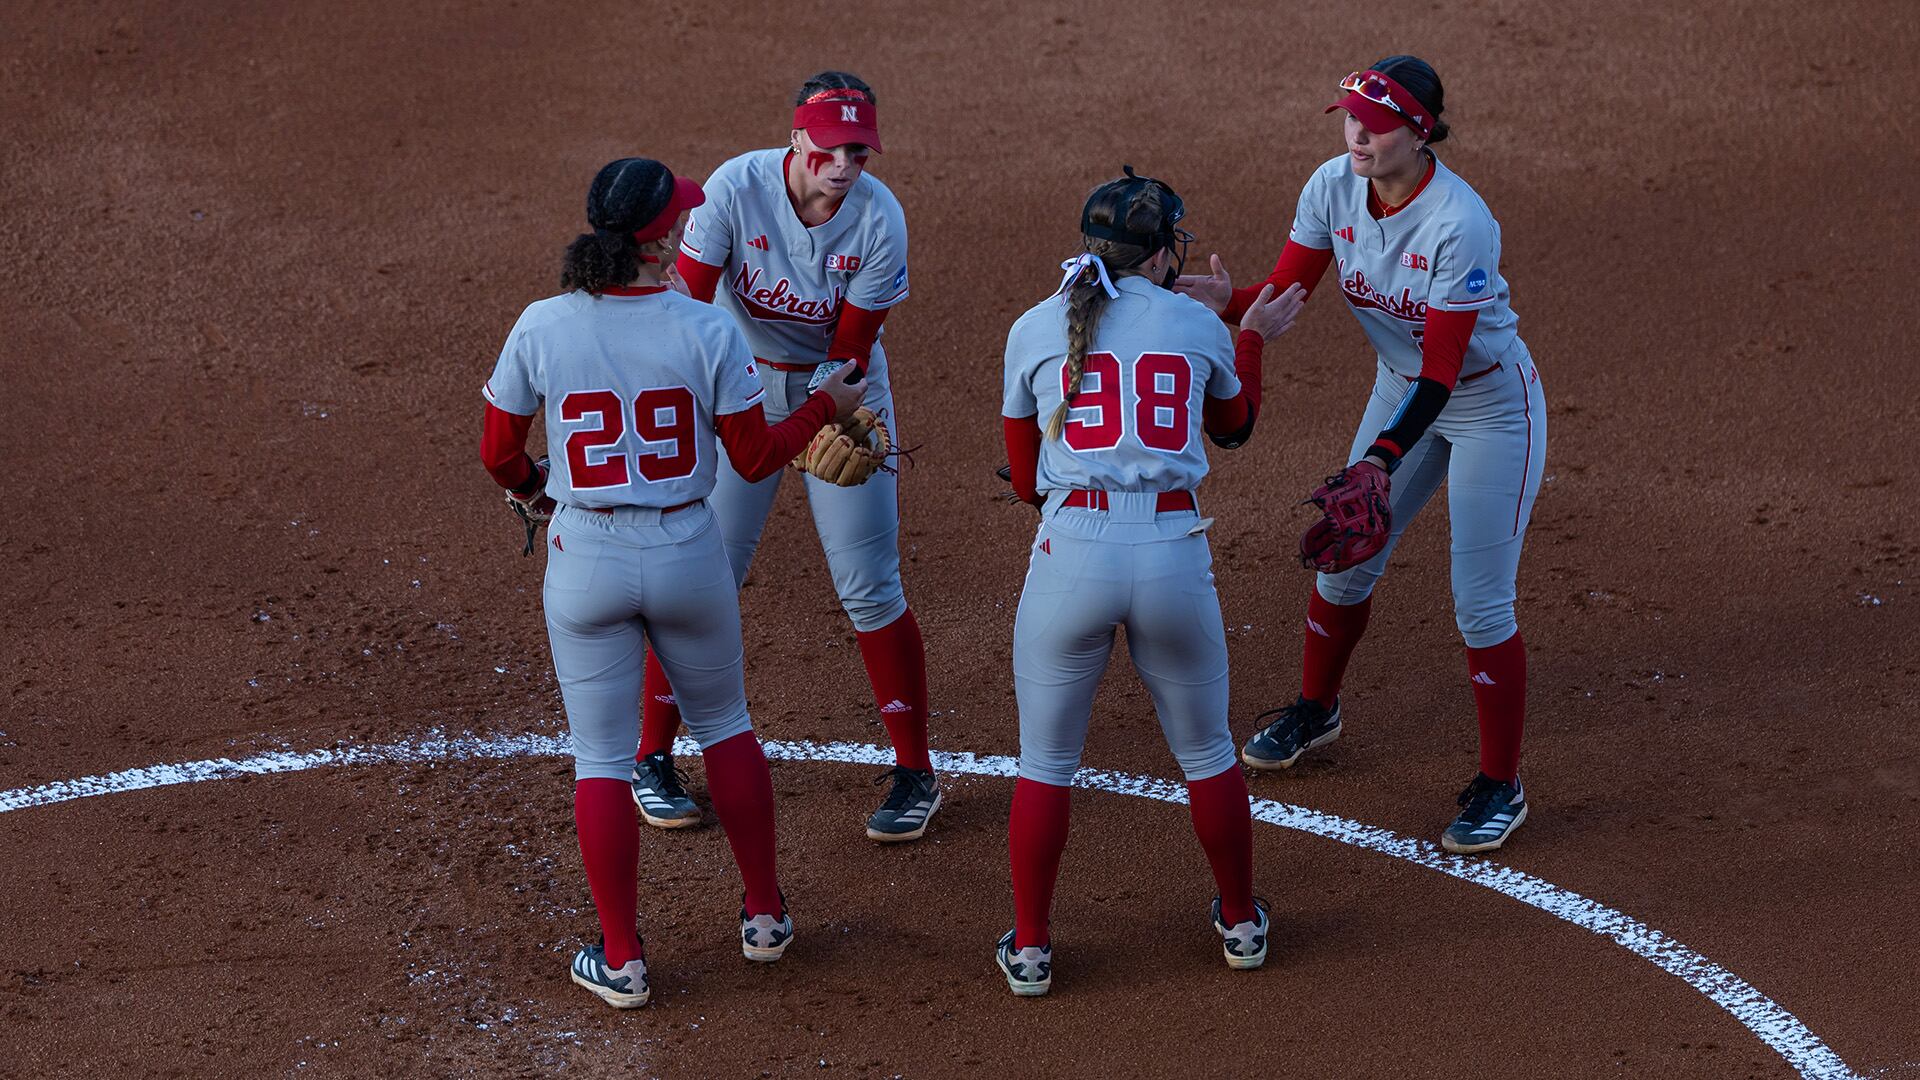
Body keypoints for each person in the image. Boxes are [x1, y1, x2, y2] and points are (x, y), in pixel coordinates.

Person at [479, 157, 866, 1008]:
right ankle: (764, 916)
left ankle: (622, 960)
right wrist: (825, 407)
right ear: (659, 242)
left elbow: (498, 450)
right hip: (688, 549)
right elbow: (757, 455)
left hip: (586, 556)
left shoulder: (542, 324)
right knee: (726, 727)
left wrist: (537, 494)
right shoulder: (705, 328)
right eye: (680, 220)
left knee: (601, 763)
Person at [1175, 56, 1547, 854]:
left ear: (1420, 131)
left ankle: (1502, 786)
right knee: (1344, 564)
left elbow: (1445, 369)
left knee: (1480, 603)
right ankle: (1318, 708)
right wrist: (1228, 303)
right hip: (1399, 387)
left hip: (1488, 406)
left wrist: (1379, 459)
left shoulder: (1460, 221)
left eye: (1375, 125)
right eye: (1349, 118)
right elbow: (1286, 290)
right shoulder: (1332, 187)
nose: (1357, 135)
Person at [995, 168, 1306, 996]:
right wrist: (1249, 333)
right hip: (1172, 548)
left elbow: (1026, 478)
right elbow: (1235, 431)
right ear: (1167, 250)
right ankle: (1240, 923)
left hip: (1073, 548)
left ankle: (1030, 948)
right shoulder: (1198, 325)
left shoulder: (1034, 326)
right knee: (1206, 752)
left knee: (1046, 762)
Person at [637, 70, 939, 842]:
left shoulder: (879, 221)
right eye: (835, 148)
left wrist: (812, 421)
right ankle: (651, 758)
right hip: (737, 388)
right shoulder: (737, 189)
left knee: (870, 584)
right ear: (799, 137)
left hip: (839, 397)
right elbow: (688, 310)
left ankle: (915, 773)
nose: (847, 165)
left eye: (861, 152)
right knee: (701, 576)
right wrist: (713, 408)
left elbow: (850, 353)